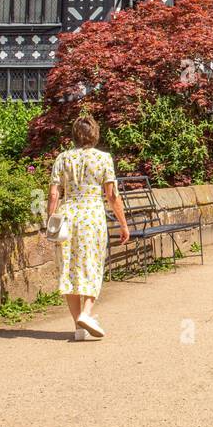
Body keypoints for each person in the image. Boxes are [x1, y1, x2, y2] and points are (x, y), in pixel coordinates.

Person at [47, 115, 129, 341]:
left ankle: (79, 328)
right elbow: (111, 195)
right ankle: (86, 313)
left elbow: (54, 194)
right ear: (95, 134)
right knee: (92, 265)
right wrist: (123, 224)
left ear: (74, 135)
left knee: (70, 270)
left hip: (68, 216)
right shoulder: (103, 158)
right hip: (92, 216)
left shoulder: (62, 158)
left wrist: (50, 221)